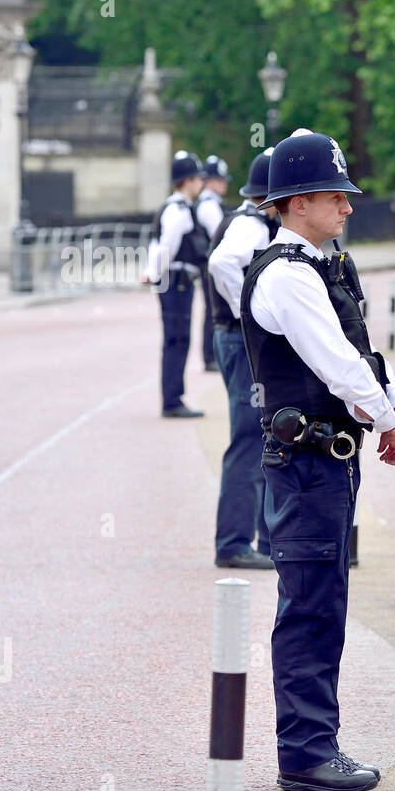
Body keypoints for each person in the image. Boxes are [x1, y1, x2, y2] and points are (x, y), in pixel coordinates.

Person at [241, 128, 395, 791]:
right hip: (305, 463)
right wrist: (387, 420)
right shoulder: (287, 277)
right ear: (297, 203)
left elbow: (364, 352)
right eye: (335, 197)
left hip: (329, 463)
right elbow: (338, 365)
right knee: (311, 609)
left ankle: (318, 745)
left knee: (325, 602)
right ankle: (306, 754)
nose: (348, 208)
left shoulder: (323, 269)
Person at [206, 147, 279, 570]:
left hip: (233, 338)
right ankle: (234, 543)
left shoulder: (248, 221)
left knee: (258, 437)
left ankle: (260, 540)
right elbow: (221, 264)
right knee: (250, 440)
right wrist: (250, 312)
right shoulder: (251, 226)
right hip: (238, 339)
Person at [144, 150, 208, 418]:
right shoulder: (178, 210)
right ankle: (172, 400)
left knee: (177, 338)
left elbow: (158, 243)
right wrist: (155, 273)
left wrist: (153, 272)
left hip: (175, 280)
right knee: (177, 339)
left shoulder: (175, 207)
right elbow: (166, 246)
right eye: (197, 178)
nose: (200, 183)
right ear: (188, 180)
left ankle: (173, 397)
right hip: (177, 281)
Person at [196, 155, 232, 372]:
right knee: (213, 309)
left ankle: (211, 356)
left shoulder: (210, 203)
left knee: (212, 309)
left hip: (209, 263)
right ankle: (210, 356)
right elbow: (219, 236)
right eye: (218, 179)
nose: (223, 183)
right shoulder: (209, 206)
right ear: (208, 181)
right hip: (210, 265)